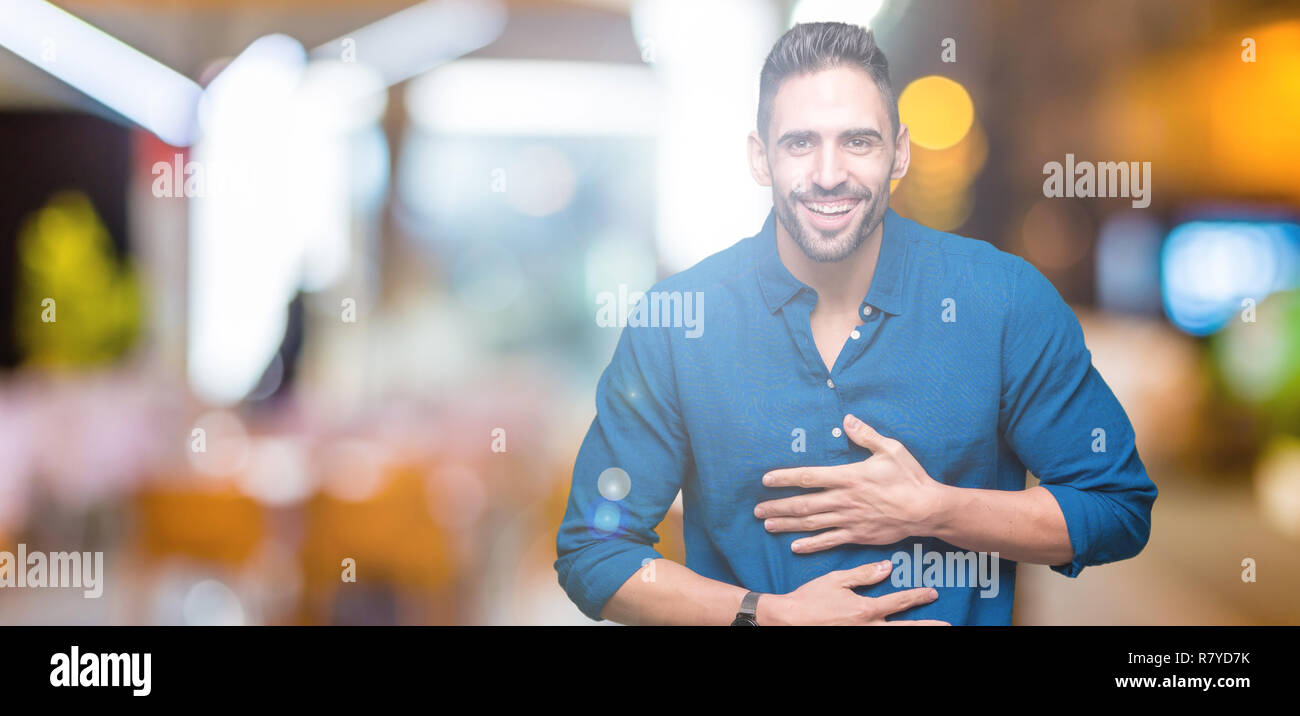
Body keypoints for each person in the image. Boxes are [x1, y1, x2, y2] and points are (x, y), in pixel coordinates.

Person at [554, 21, 1157, 625]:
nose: (827, 173)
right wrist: (766, 616)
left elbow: (1116, 507)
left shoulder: (1003, 299)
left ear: (900, 151)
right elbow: (595, 549)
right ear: (760, 158)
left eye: (858, 142)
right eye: (799, 143)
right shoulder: (677, 323)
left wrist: (935, 510)